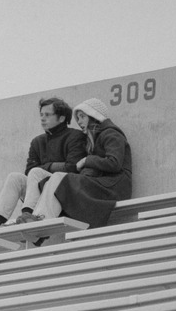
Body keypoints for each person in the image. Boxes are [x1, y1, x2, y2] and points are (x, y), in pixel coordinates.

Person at [0, 96, 87, 230]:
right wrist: (51, 166)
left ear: (61, 118)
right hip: (39, 193)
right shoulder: (37, 141)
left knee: (36, 171)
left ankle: (27, 216)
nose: (42, 118)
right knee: (15, 177)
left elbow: (72, 167)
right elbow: (28, 170)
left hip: (62, 195)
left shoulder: (76, 136)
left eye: (47, 115)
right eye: (41, 115)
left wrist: (45, 167)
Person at [30, 96, 132, 231]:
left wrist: (86, 160)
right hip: (103, 184)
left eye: (82, 117)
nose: (79, 122)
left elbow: (114, 163)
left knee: (60, 178)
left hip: (115, 187)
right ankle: (38, 223)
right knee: (58, 179)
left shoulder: (111, 134)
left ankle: (41, 223)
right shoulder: (94, 138)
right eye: (77, 118)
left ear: (93, 116)